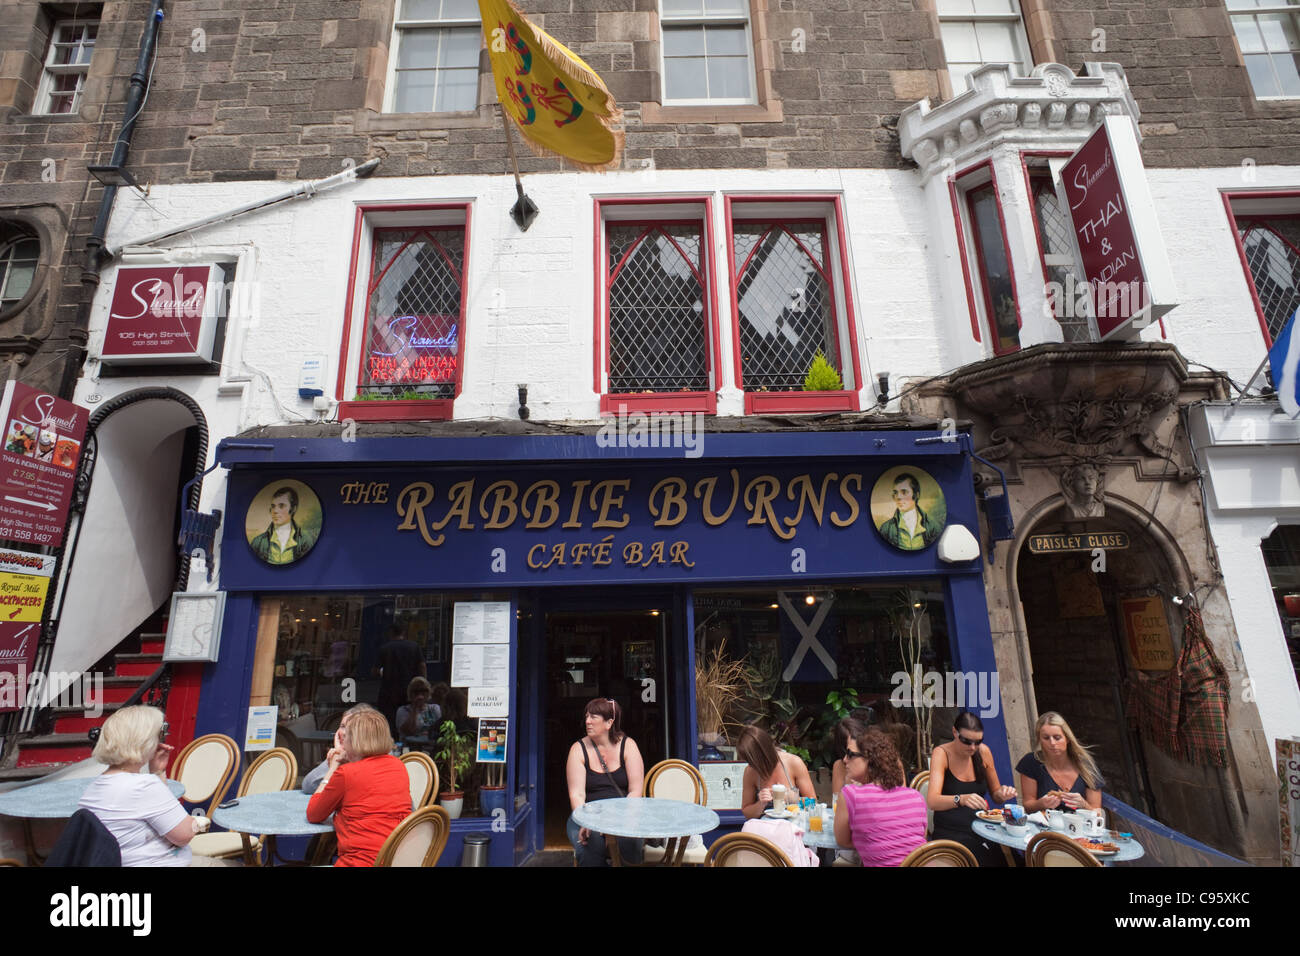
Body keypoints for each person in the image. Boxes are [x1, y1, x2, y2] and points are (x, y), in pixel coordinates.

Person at [77, 705, 215, 867]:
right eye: (159, 735)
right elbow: (184, 835)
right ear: (145, 742)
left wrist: (158, 772)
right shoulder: (143, 786)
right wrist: (194, 822)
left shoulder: (94, 786)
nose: (161, 740)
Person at [306, 708, 412, 867]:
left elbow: (314, 814)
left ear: (355, 740)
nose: (342, 738)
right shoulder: (398, 766)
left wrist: (333, 768)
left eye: (346, 735)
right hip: (396, 860)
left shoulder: (346, 774)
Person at [925, 712, 1017, 866]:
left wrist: (1003, 793)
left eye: (977, 741)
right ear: (955, 733)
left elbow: (995, 795)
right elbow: (933, 801)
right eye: (966, 741)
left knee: (1013, 856)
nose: (972, 747)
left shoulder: (984, 751)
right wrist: (961, 799)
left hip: (982, 826)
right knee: (984, 859)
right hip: (951, 830)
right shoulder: (941, 753)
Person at [565, 697, 645, 866]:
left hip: (624, 814)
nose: (587, 721)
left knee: (628, 842)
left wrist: (617, 821)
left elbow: (636, 790)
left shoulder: (628, 746)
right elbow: (577, 794)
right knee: (589, 844)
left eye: (593, 717)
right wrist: (585, 820)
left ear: (609, 723)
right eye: (586, 716)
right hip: (588, 814)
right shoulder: (578, 749)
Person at [835, 724, 928, 866]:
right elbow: (919, 839)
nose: (845, 759)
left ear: (869, 758)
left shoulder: (851, 795)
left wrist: (874, 841)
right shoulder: (916, 796)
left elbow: (843, 841)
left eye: (850, 754)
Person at [1016, 711, 1104, 812]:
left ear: (1067, 738)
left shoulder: (1086, 765)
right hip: (1044, 825)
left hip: (1079, 825)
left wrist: (1083, 805)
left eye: (1057, 738)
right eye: (1046, 738)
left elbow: (1097, 813)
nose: (1052, 743)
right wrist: (1040, 804)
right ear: (1039, 740)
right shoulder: (1031, 762)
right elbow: (1028, 805)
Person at [737, 725, 816, 819]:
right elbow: (747, 812)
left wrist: (790, 798)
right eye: (749, 761)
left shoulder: (793, 763)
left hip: (794, 825)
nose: (752, 765)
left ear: (766, 752)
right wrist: (760, 804)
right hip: (766, 828)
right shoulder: (750, 771)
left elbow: (813, 803)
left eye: (754, 760)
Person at [301, 703, 378, 794]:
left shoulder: (377, 759)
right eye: (342, 726)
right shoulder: (342, 754)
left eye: (351, 728)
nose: (344, 733)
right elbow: (308, 785)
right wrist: (335, 760)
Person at [376, 624, 426, 737]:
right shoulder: (414, 646)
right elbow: (422, 666)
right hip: (410, 692)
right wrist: (423, 685)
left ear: (391, 633)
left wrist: (384, 672)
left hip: (389, 693)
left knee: (389, 724)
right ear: (404, 633)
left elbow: (375, 670)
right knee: (411, 720)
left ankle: (393, 746)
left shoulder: (385, 648)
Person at [249, 485, 316, 564]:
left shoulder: (305, 539)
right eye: (273, 506)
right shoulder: (258, 542)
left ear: (293, 509)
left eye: (281, 506)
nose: (275, 511)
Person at [877, 473, 940, 550]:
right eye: (895, 493)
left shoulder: (931, 526)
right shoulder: (886, 528)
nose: (898, 497)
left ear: (916, 495)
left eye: (904, 492)